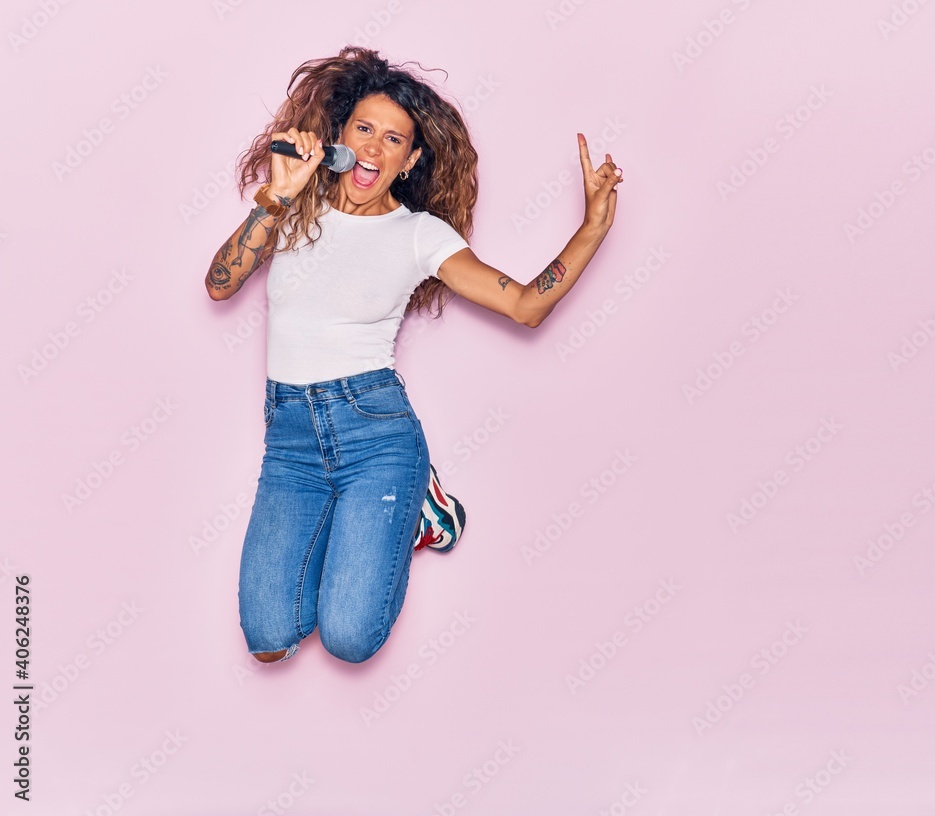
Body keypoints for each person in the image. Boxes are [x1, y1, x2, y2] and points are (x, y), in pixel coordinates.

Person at [204, 46, 622, 665]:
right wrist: (276, 195)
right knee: (269, 639)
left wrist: (592, 226)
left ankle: (416, 497)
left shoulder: (420, 235)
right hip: (290, 438)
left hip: (373, 430)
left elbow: (528, 306)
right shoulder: (295, 205)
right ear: (338, 135)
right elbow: (219, 284)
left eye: (393, 140)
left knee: (349, 640)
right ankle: (357, 521)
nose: (373, 149)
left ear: (410, 159)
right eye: (364, 130)